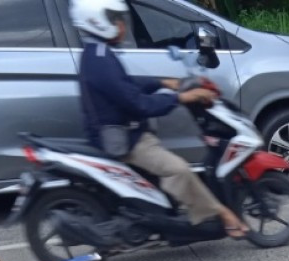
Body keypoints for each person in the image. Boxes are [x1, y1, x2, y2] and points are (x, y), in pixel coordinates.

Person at [69, 0, 252, 237]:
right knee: (179, 169)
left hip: (125, 132)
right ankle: (221, 214)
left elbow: (125, 86)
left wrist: (163, 82)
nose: (122, 25)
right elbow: (137, 103)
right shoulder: (100, 59)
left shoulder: (97, 54)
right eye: (116, 19)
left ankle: (170, 209)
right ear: (97, 21)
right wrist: (182, 97)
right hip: (126, 138)